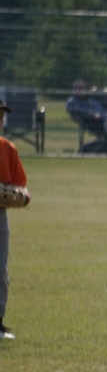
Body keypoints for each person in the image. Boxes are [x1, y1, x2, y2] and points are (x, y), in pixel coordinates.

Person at [0, 98, 28, 340]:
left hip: (0, 215)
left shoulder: (8, 149)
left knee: (0, 271)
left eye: (1, 115)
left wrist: (23, 197)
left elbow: (20, 186)